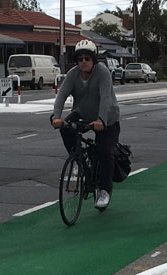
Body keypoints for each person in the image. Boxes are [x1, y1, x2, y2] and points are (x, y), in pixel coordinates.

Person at [51, 39, 121, 211]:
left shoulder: (103, 73)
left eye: (87, 59)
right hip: (83, 113)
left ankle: (105, 191)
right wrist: (56, 116)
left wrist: (102, 121)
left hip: (107, 118)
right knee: (65, 128)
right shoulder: (73, 74)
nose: (83, 62)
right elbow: (61, 96)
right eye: (80, 59)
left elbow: (105, 98)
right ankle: (78, 160)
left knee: (105, 151)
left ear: (93, 60)